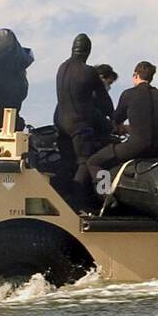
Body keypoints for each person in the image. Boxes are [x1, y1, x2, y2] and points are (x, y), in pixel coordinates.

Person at [87, 61, 158, 184]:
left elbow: (116, 119)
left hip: (136, 146)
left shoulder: (129, 94)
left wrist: (124, 128)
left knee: (93, 162)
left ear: (135, 75)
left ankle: (105, 194)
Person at [54, 33, 112, 195]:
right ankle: (92, 196)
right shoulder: (88, 71)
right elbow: (103, 100)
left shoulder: (62, 67)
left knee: (67, 162)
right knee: (86, 161)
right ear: (88, 52)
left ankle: (61, 195)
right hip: (78, 124)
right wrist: (112, 118)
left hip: (60, 121)